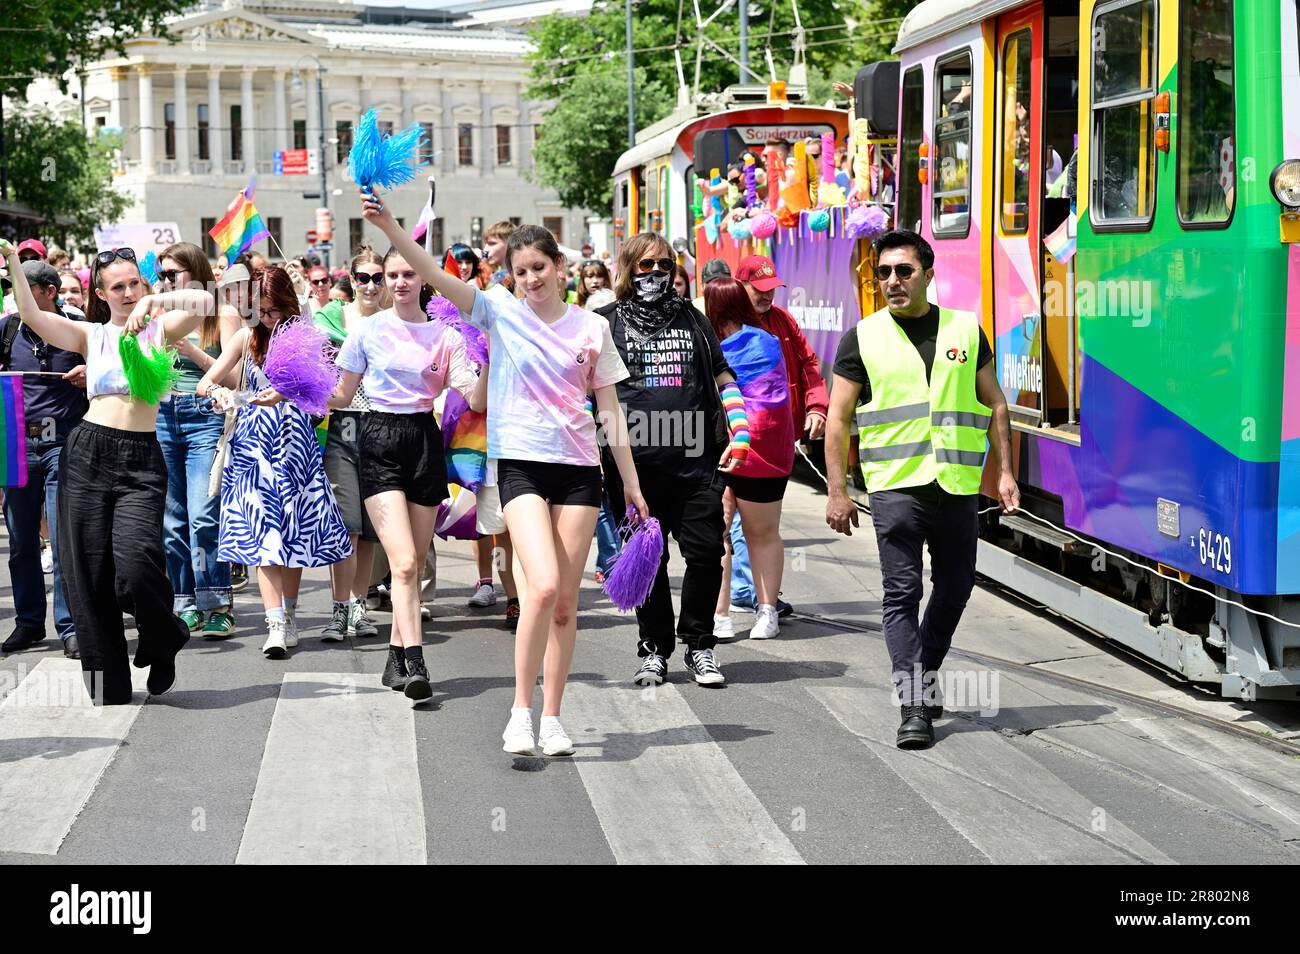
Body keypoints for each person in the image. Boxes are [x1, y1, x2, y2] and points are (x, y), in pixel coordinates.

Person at [361, 189, 646, 757]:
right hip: (519, 467)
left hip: (580, 471)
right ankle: (520, 710)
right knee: (539, 586)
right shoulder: (499, 309)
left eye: (539, 268)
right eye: (520, 272)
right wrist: (392, 227)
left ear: (559, 267)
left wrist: (630, 482)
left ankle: (555, 716)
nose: (530, 279)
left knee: (565, 602)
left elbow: (609, 409)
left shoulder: (592, 328)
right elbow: (433, 275)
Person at [824, 229, 1018, 750]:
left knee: (956, 587)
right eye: (882, 272)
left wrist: (1003, 472)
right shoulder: (861, 337)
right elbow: (838, 419)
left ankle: (924, 669)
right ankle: (913, 705)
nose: (891, 281)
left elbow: (995, 402)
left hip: (954, 486)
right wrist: (837, 492)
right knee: (901, 594)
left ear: (928, 275)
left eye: (902, 271)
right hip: (895, 489)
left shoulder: (964, 330)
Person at [1, 239, 212, 704]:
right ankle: (107, 681)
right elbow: (32, 316)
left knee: (138, 563)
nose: (128, 292)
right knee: (88, 572)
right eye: (117, 286)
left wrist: (157, 300)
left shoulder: (161, 329)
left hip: (141, 457)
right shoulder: (90, 335)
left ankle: (163, 635)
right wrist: (14, 263)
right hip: (88, 452)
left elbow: (205, 300)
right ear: (101, 292)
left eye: (135, 283)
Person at [329, 249, 482, 702]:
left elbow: (474, 398)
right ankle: (416, 662)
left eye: (407, 274)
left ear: (423, 279)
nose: (397, 282)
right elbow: (341, 394)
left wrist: (490, 354)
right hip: (377, 438)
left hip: (423, 439)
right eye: (391, 275)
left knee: (412, 563)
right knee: (404, 563)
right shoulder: (367, 330)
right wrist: (289, 388)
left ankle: (395, 657)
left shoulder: (446, 336)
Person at [595, 233, 742, 688]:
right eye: (645, 265)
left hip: (697, 465)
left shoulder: (694, 320)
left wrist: (742, 430)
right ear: (627, 269)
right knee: (647, 562)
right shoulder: (604, 324)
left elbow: (722, 374)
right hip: (634, 471)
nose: (656, 273)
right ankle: (654, 650)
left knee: (706, 553)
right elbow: (581, 387)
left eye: (664, 265)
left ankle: (699, 646)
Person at [199, 266, 352, 659]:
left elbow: (330, 395)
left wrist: (289, 392)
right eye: (261, 310)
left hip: (295, 446)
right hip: (253, 448)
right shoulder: (244, 337)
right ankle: (275, 624)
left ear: (288, 305)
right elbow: (207, 383)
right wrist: (219, 393)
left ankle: (290, 613)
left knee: (293, 535)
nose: (267, 318)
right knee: (264, 537)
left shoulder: (306, 339)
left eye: (273, 310)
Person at [728, 254, 829, 618]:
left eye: (771, 289)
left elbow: (807, 363)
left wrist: (817, 406)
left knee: (761, 523)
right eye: (759, 289)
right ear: (741, 286)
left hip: (778, 437)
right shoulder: (726, 325)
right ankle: (749, 591)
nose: (766, 296)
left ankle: (757, 590)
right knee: (741, 520)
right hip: (738, 438)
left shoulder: (783, 320)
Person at [0, 259, 88, 659]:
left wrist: (90, 370)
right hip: (17, 445)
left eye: (23, 288)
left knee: (64, 539)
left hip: (64, 443)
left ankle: (69, 626)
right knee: (21, 542)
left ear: (49, 292)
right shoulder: (7, 328)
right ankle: (29, 623)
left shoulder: (76, 328)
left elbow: (112, 368)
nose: (14, 296)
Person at [154, 243, 242, 638]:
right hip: (163, 416)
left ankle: (217, 602)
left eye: (173, 274)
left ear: (195, 272)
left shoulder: (221, 313)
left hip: (205, 416)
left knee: (204, 513)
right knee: (173, 520)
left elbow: (237, 379)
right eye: (161, 275)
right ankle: (184, 601)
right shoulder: (158, 314)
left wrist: (193, 352)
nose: (165, 282)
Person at [705, 277, 794, 641]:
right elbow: (774, 402)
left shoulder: (712, 347)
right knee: (764, 535)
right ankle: (767, 612)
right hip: (766, 453)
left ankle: (720, 616)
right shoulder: (769, 343)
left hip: (725, 451)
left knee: (718, 534)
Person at [313, 246, 386, 642]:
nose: (372, 285)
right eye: (364, 278)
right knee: (347, 525)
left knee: (372, 525)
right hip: (342, 427)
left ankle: (359, 605)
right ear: (352, 281)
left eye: (379, 278)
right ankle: (340, 608)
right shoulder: (330, 320)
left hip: (383, 429)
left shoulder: (397, 322)